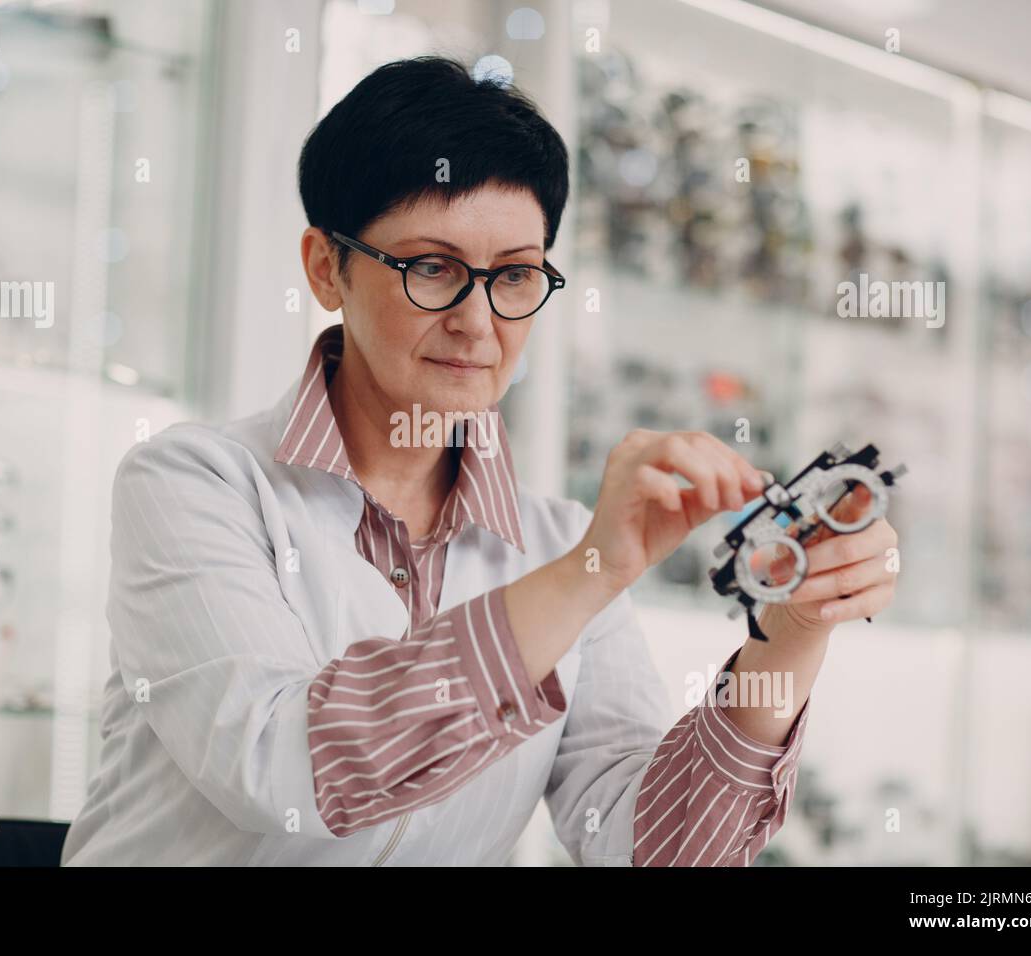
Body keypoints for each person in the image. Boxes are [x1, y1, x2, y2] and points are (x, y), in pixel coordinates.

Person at [60, 55, 898, 866]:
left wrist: (790, 634)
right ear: (326, 268)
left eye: (516, 276)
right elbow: (281, 765)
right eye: (432, 267)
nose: (478, 320)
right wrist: (587, 574)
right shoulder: (195, 484)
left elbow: (652, 848)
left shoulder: (555, 541)